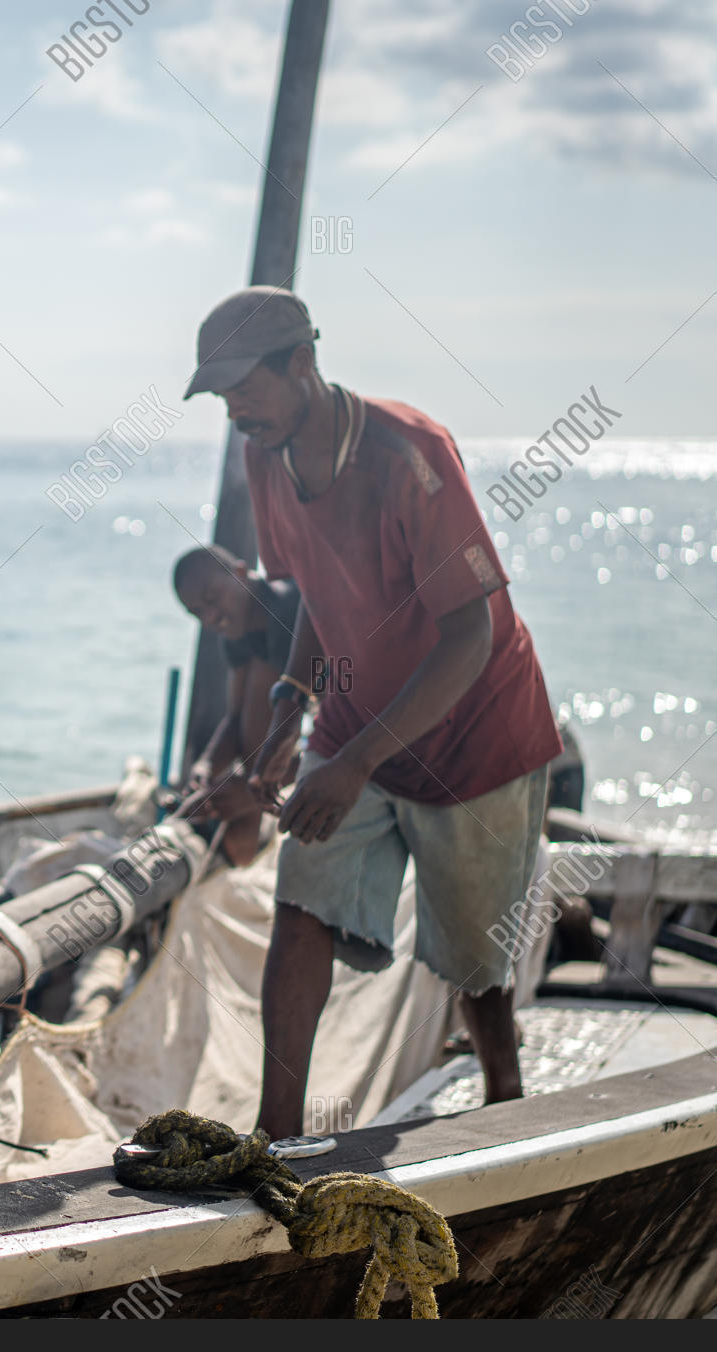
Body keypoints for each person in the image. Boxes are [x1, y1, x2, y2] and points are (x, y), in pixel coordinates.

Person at [182, 287, 561, 1140]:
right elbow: (316, 590)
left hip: (476, 729)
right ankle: (276, 1138)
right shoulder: (264, 452)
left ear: (303, 364)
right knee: (301, 906)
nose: (234, 407)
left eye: (245, 384)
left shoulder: (411, 453)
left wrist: (349, 764)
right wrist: (290, 710)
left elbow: (473, 633)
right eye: (221, 394)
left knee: (472, 954)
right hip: (353, 717)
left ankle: (505, 1100)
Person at [172, 544, 300, 867]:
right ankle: (238, 853)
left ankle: (239, 846)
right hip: (288, 749)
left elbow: (341, 736)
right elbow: (235, 716)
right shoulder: (236, 633)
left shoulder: (289, 612)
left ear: (242, 574)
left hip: (377, 731)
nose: (211, 618)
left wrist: (252, 790)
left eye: (213, 599)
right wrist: (205, 766)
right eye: (198, 613)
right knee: (250, 721)